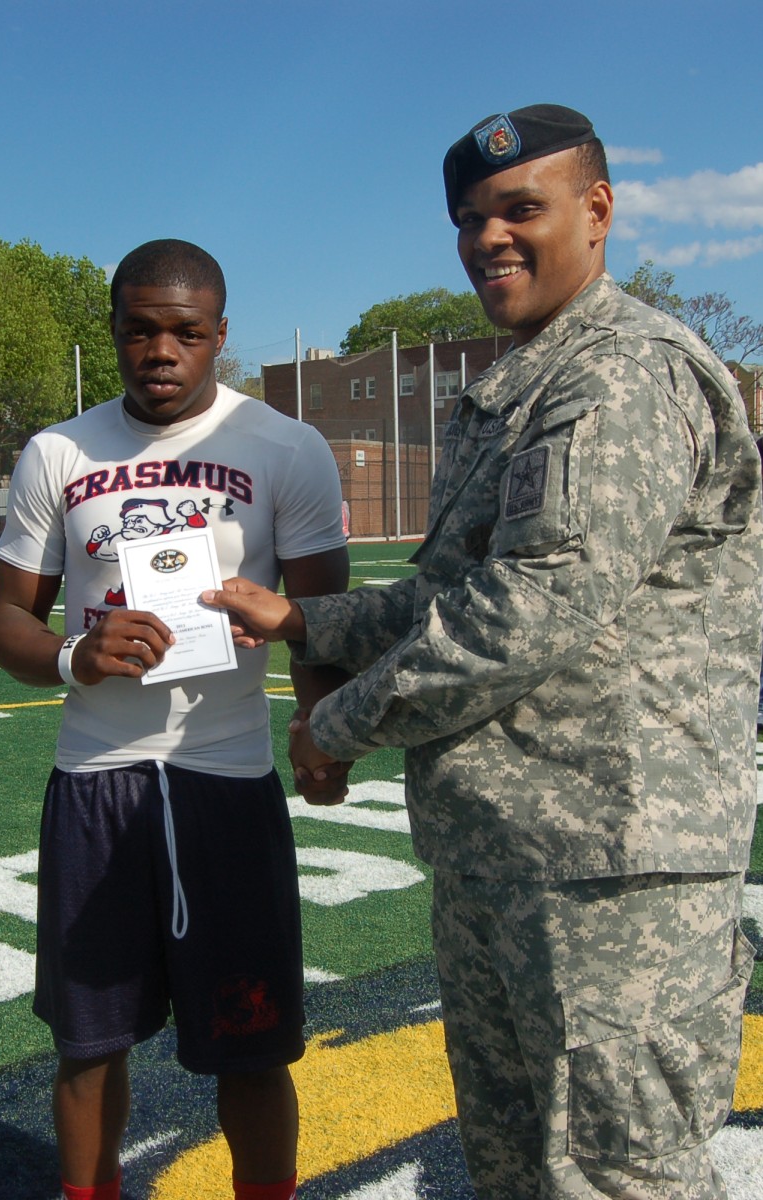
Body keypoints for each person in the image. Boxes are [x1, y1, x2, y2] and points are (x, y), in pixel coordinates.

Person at [204, 105, 763, 1199]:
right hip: (505, 850)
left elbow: (536, 604)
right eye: (470, 220)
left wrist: (341, 721)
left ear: (596, 211)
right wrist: (306, 624)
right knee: (512, 1164)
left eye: (521, 210)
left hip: (609, 861)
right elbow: (453, 589)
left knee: (614, 1174)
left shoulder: (618, 376)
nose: (487, 240)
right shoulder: (519, 382)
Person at [0, 239, 349, 1200]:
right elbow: (5, 624)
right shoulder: (57, 452)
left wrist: (320, 729)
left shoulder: (286, 447)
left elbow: (326, 622)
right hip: (94, 779)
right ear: (112, 334)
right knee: (88, 1041)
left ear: (219, 336)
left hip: (225, 779)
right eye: (140, 331)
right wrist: (75, 654)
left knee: (251, 1043)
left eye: (185, 334)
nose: (161, 352)